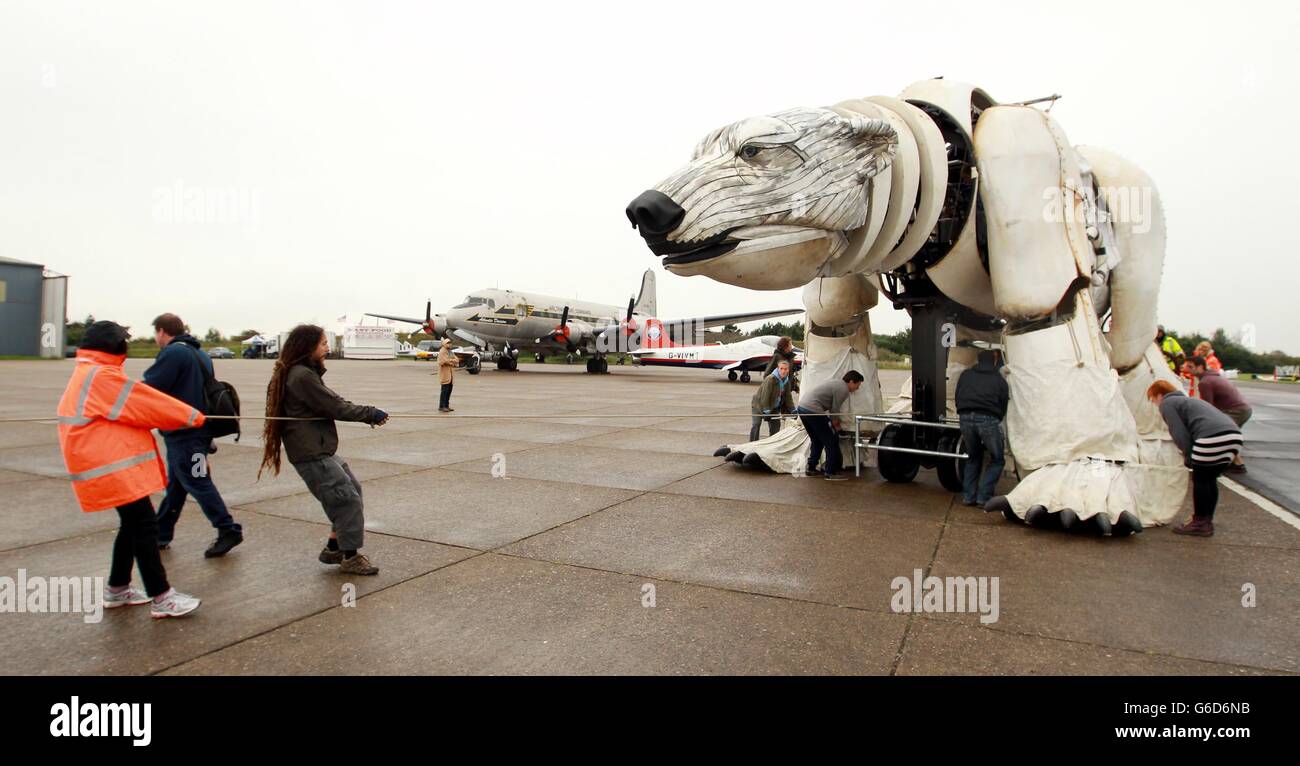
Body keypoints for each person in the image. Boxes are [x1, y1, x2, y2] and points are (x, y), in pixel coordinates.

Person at [56, 321, 203, 618]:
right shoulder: (101, 376)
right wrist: (192, 416)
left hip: (104, 465)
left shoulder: (89, 371)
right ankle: (162, 596)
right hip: (109, 467)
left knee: (131, 524)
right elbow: (145, 403)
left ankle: (118, 588)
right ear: (114, 347)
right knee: (145, 525)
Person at [259, 325, 389, 575]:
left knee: (352, 491)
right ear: (308, 347)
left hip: (320, 449)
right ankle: (350, 557)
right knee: (346, 501)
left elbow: (332, 401)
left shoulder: (302, 373)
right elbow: (334, 406)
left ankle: (333, 548)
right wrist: (369, 414)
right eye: (322, 344)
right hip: (312, 453)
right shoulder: (301, 376)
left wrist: (367, 412)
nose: (327, 348)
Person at [143, 313, 243, 557]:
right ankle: (161, 533)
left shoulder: (174, 353)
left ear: (162, 331)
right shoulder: (199, 353)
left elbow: (149, 388)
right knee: (177, 486)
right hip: (197, 432)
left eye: (156, 333)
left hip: (185, 435)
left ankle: (227, 528)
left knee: (197, 480)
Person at [1148, 380, 1243, 537]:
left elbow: (1178, 432)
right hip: (1233, 436)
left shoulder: (1168, 403)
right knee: (1209, 479)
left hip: (1211, 437)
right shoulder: (1188, 400)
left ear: (1159, 395)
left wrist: (1188, 454)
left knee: (1200, 480)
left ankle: (1200, 522)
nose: (1154, 404)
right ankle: (1206, 520)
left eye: (1152, 399)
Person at [954, 350, 1010, 507]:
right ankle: (983, 497)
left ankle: (968, 497)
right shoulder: (999, 380)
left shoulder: (966, 375)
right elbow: (1003, 402)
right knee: (997, 459)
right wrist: (997, 417)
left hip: (965, 418)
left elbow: (958, 396)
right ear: (994, 360)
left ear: (978, 360)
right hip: (988, 419)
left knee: (973, 457)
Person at [796, 371, 864, 481]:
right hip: (814, 410)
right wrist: (837, 427)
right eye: (858, 385)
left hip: (803, 407)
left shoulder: (836, 383)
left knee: (817, 439)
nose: (857, 388)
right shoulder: (843, 389)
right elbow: (834, 410)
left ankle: (811, 467)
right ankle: (830, 472)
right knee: (831, 440)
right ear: (851, 382)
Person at [1188, 355, 1252, 472]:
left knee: (1222, 434)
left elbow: (1208, 407)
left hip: (1236, 411)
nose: (1187, 369)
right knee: (1227, 436)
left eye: (1190, 367)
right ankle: (1233, 462)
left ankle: (1237, 464)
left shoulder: (1205, 382)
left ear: (1200, 367)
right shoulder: (1213, 376)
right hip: (1243, 409)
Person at [749, 360, 794, 441]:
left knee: (776, 426)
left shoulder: (786, 381)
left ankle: (772, 443)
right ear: (778, 369)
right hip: (759, 405)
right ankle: (752, 444)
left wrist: (793, 409)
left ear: (788, 370)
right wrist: (766, 410)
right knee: (756, 425)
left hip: (773, 406)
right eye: (781, 368)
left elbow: (788, 397)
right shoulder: (771, 379)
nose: (783, 371)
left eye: (785, 369)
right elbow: (765, 396)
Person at [437, 337, 458, 412]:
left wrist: (451, 361)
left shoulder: (450, 352)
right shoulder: (442, 351)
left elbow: (457, 359)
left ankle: (446, 405)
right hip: (445, 374)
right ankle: (441, 406)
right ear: (444, 344)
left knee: (449, 391)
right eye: (448, 343)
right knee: (444, 391)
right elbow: (443, 361)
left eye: (450, 343)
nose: (449, 344)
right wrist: (452, 361)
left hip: (451, 375)